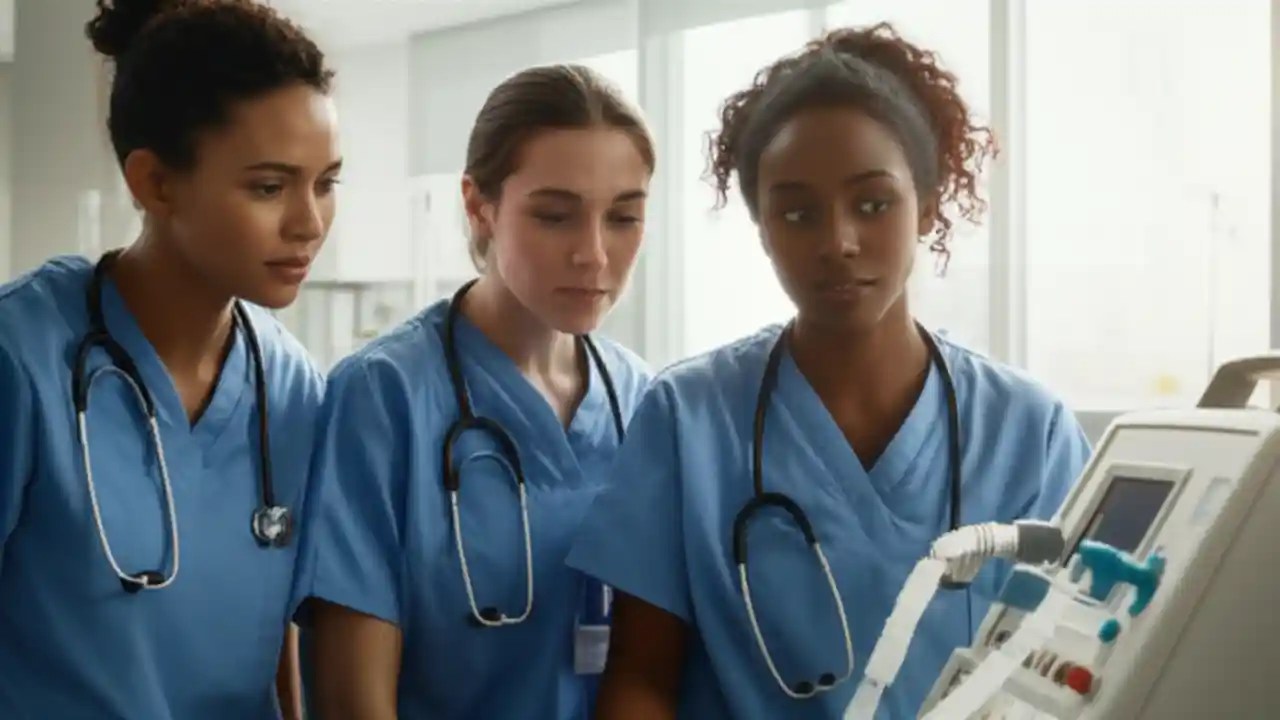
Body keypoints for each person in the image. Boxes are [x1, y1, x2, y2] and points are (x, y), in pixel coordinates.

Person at [566, 23, 1093, 720]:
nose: (838, 242)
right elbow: (642, 681)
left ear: (928, 206)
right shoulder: (689, 418)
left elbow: (1080, 672)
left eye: (873, 204)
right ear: (761, 227)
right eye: (797, 212)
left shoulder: (1031, 430)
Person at [0, 1, 340, 717]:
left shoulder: (294, 389)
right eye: (269, 187)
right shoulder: (21, 359)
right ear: (154, 182)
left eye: (326, 182)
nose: (309, 223)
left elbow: (276, 644)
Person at [290, 63, 654, 719]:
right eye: (554, 216)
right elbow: (353, 702)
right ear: (478, 204)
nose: (594, 255)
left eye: (624, 217)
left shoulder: (646, 405)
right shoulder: (384, 397)